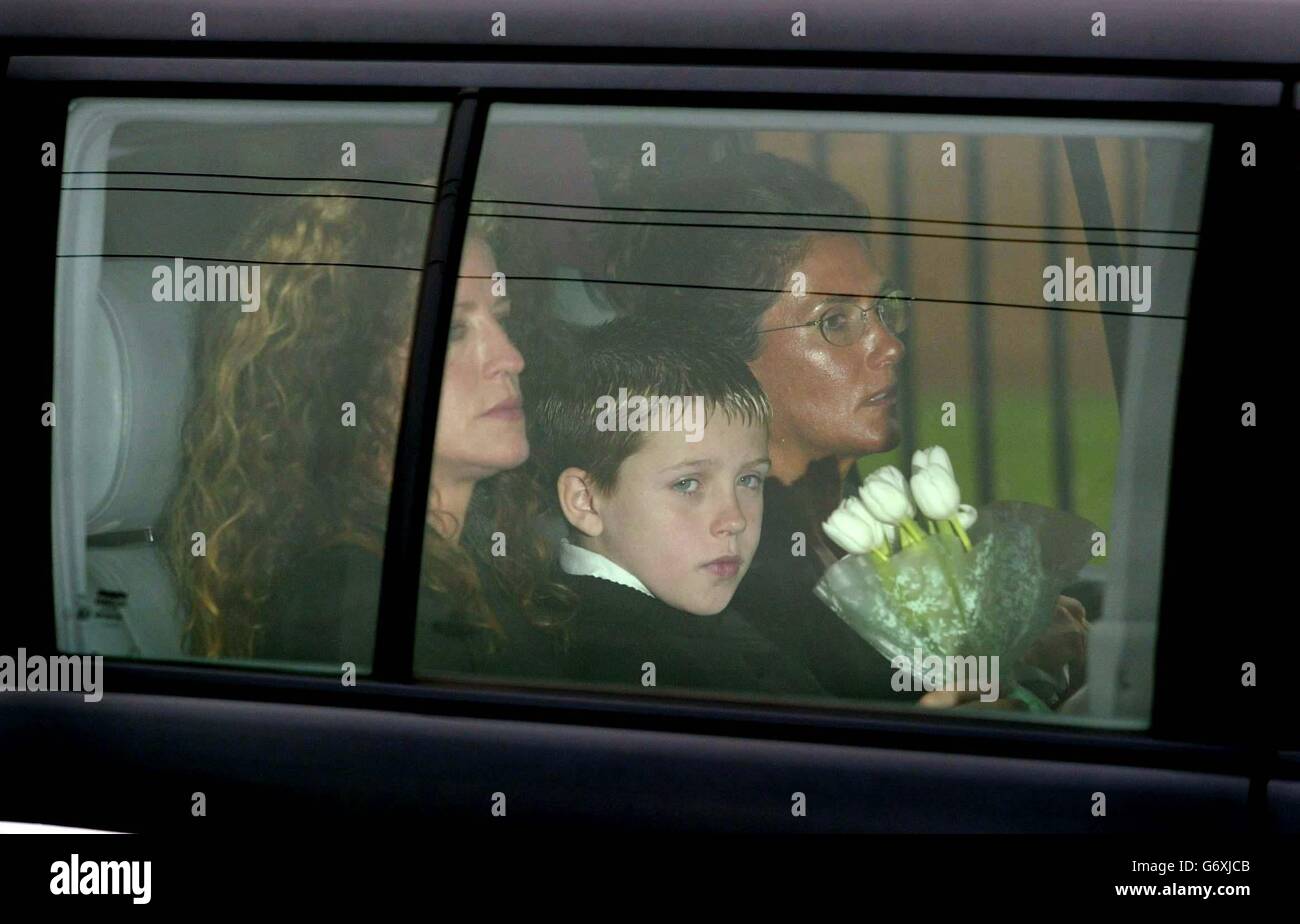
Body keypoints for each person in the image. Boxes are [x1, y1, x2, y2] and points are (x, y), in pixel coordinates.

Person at [602, 152, 1087, 708]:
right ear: (731, 358)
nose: (891, 345)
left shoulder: (853, 527)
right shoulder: (732, 576)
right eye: (835, 322)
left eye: (883, 309)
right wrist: (1005, 655)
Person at [162, 184, 569, 678]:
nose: (511, 358)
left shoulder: (476, 554)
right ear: (341, 369)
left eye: (502, 322)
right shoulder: (358, 601)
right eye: (453, 332)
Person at [527, 315, 827, 697]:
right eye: (687, 484)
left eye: (749, 480)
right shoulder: (625, 665)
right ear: (584, 501)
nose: (734, 520)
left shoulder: (694, 631)